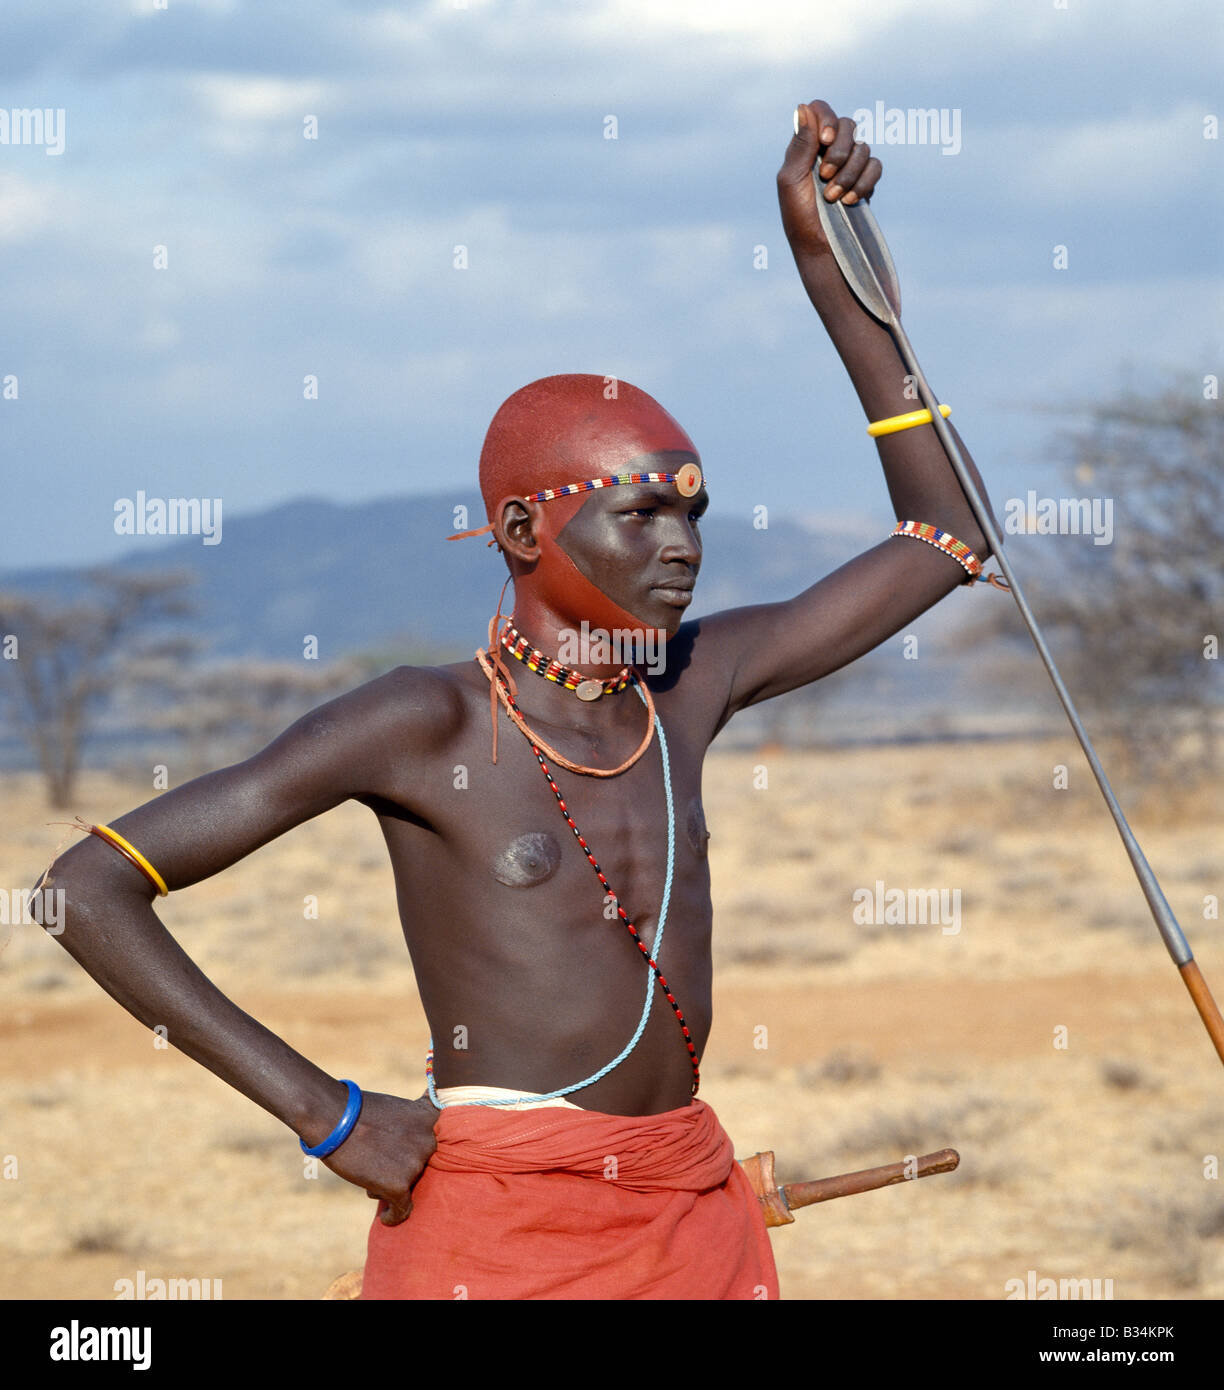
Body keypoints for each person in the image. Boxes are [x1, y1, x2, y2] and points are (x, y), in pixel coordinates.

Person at [37, 99, 999, 1299]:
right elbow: (82, 891)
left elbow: (951, 532)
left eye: (692, 513)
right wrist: (324, 1113)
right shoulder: (422, 723)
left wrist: (825, 265)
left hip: (687, 1201)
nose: (681, 544)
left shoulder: (691, 687)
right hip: (494, 1225)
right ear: (519, 527)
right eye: (638, 511)